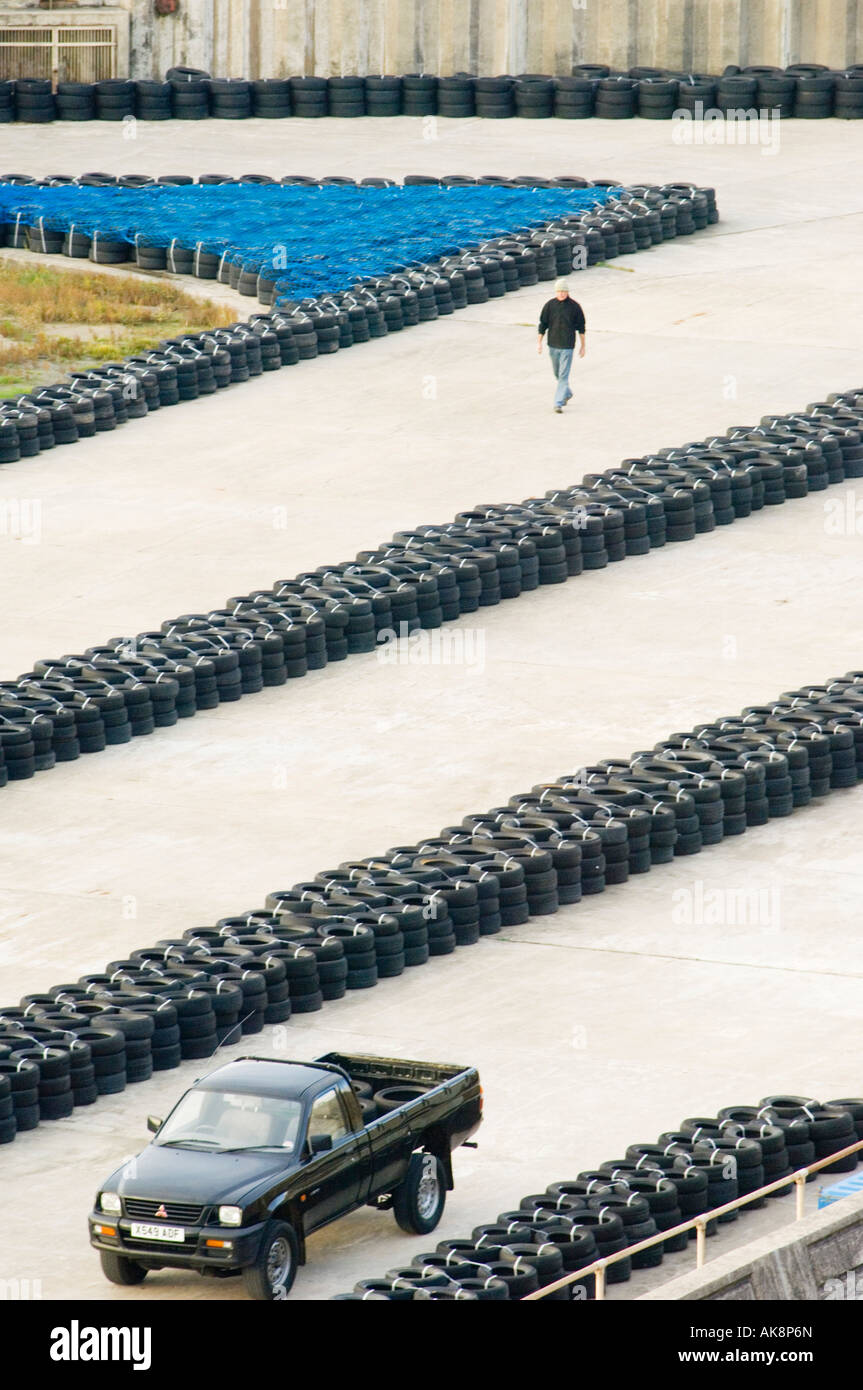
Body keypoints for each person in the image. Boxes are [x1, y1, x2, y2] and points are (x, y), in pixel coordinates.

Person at [537, 279, 586, 413]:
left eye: (564, 291)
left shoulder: (575, 307)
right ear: (556, 292)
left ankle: (558, 403)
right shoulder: (549, 306)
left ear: (567, 292)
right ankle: (567, 393)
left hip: (567, 346)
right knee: (557, 374)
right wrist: (539, 343)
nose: (562, 294)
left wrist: (583, 346)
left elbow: (581, 328)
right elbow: (542, 325)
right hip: (553, 345)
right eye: (559, 291)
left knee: (563, 376)